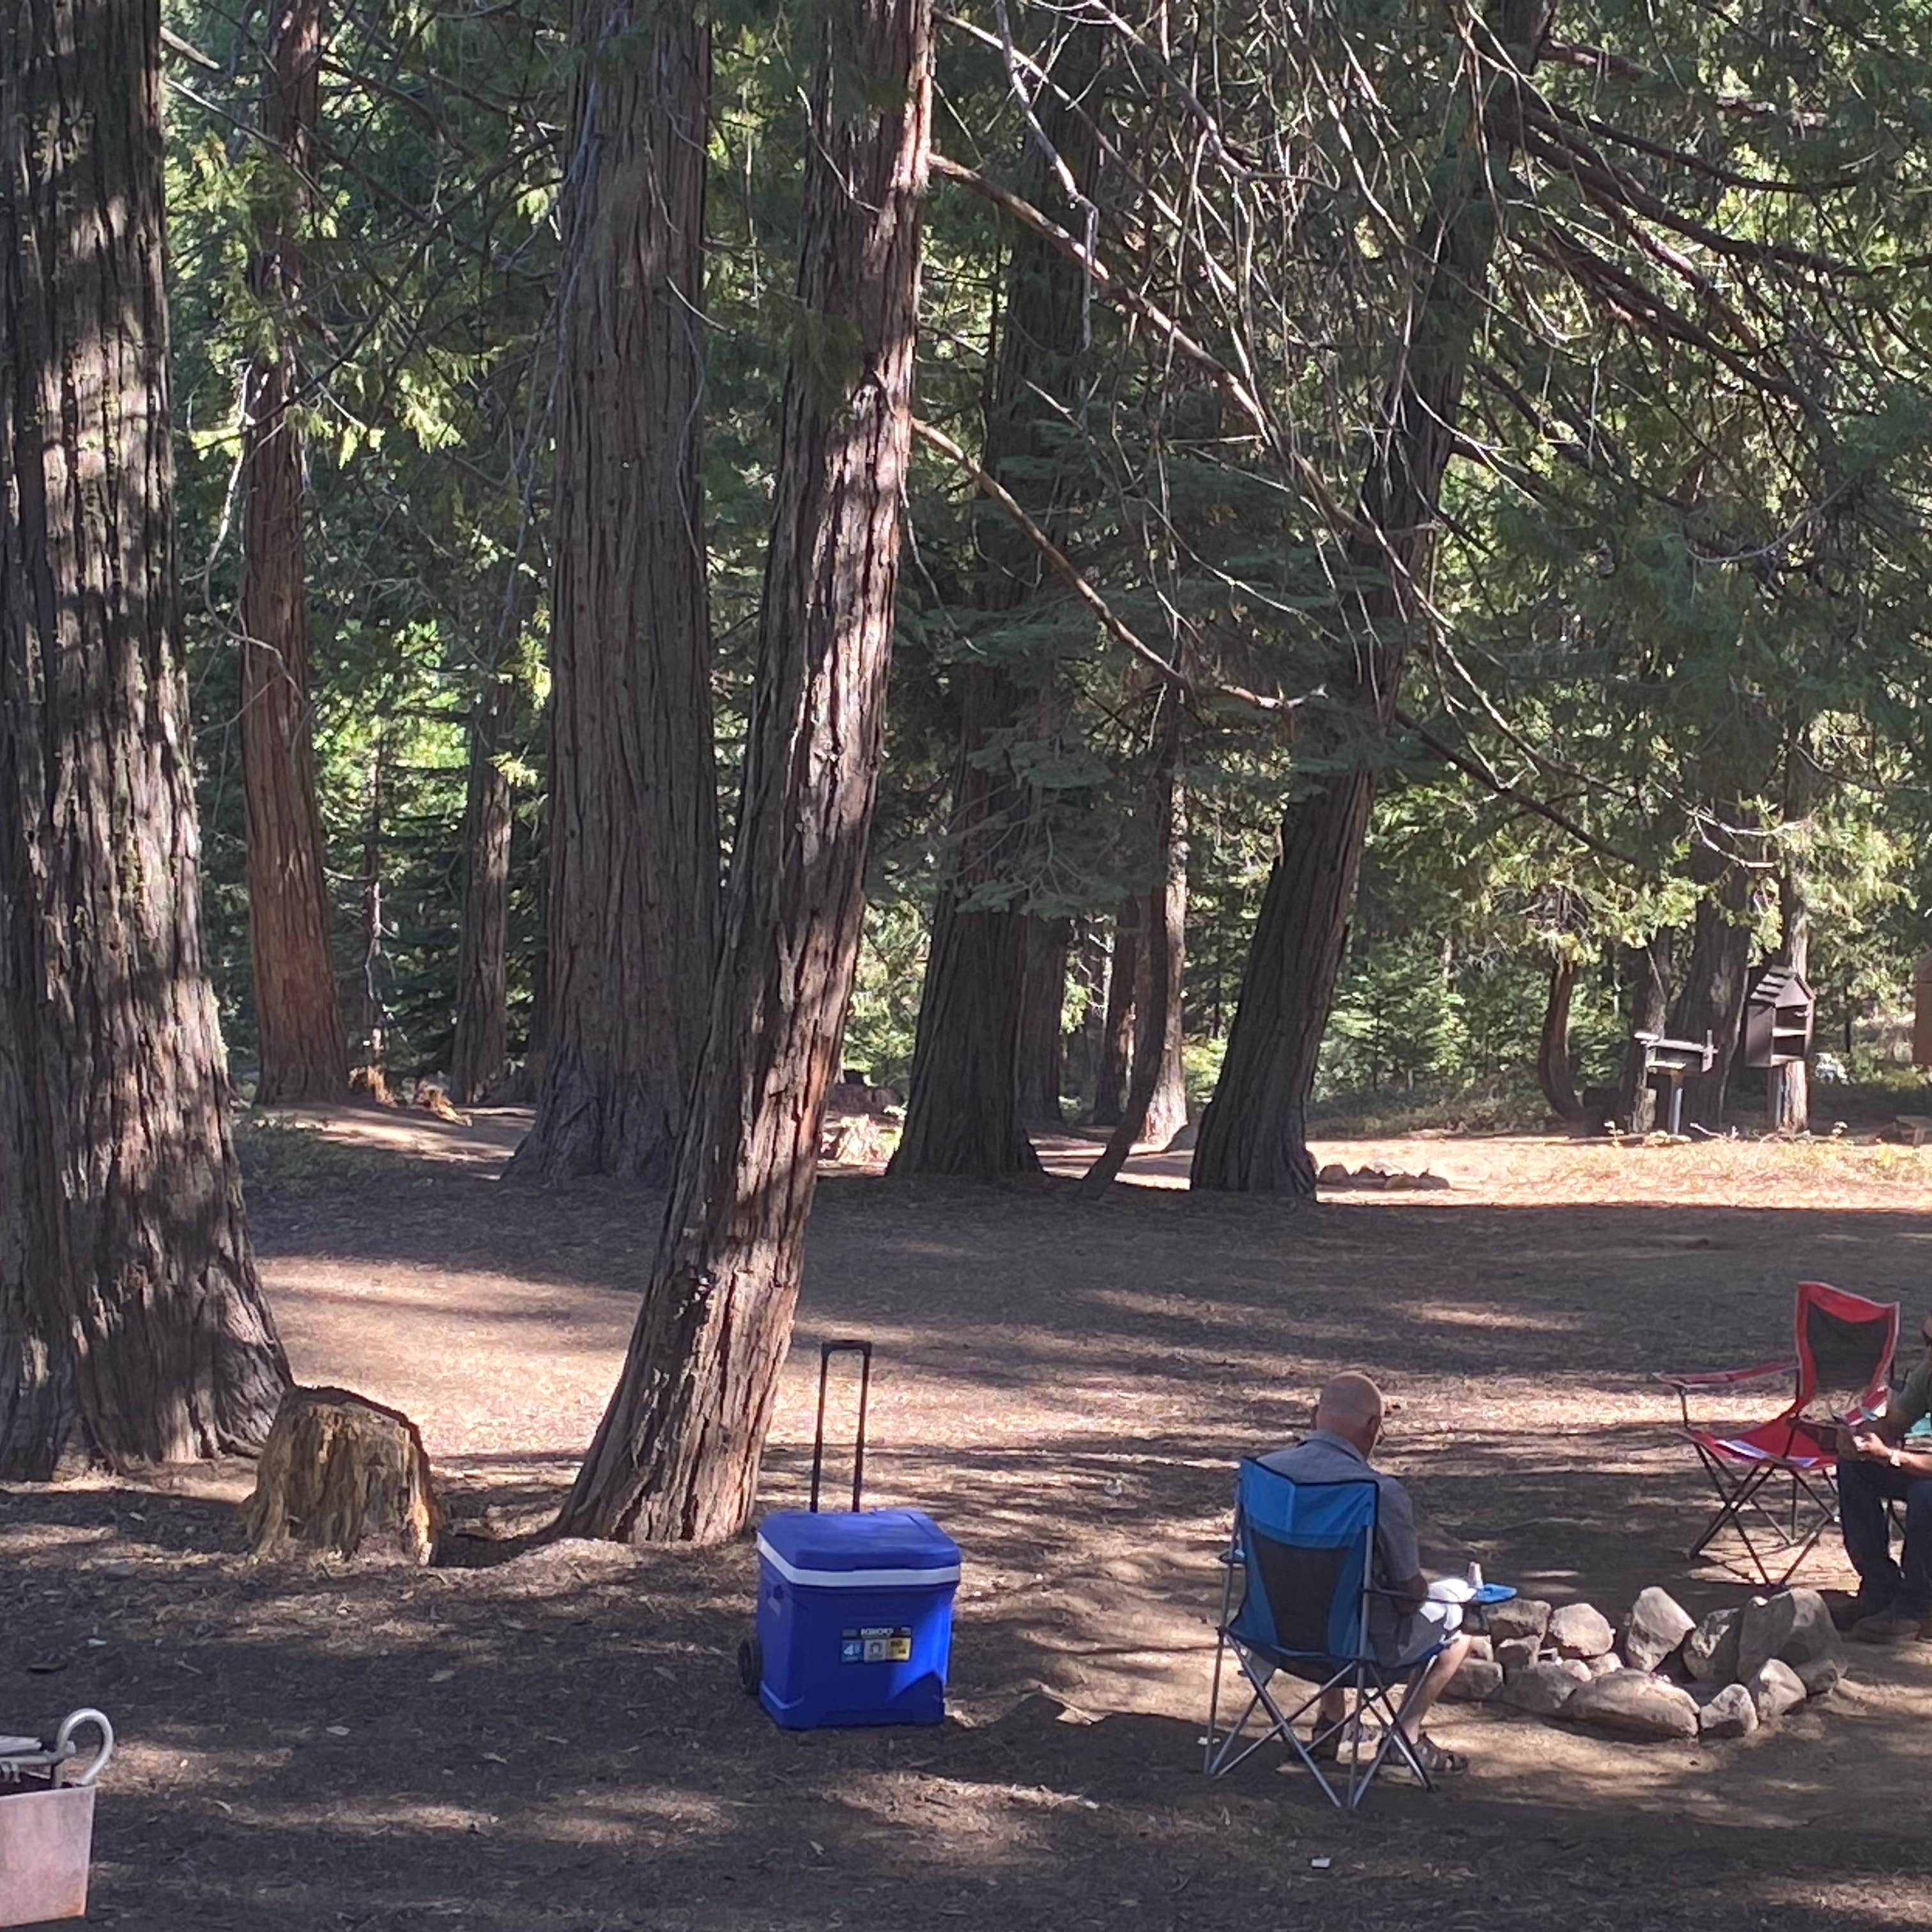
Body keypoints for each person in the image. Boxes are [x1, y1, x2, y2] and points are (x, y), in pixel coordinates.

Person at [1261, 1372, 1473, 1774]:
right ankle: (1404, 1735)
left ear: (1313, 1417)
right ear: (1374, 1428)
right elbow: (1410, 1598)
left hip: (1272, 1634)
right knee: (1459, 1625)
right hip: (1355, 1649)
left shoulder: (1266, 1473)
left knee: (1326, 1594)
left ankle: (1330, 1724)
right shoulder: (1378, 1492)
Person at [1836, 1313, 1932, 1642]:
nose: (1929, 1352)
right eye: (1926, 1341)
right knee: (1855, 1467)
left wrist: (1892, 1456)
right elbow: (1893, 1425)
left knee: (1926, 1495)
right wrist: (1860, 1438)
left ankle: (1919, 1608)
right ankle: (1878, 1588)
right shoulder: (1928, 1373)